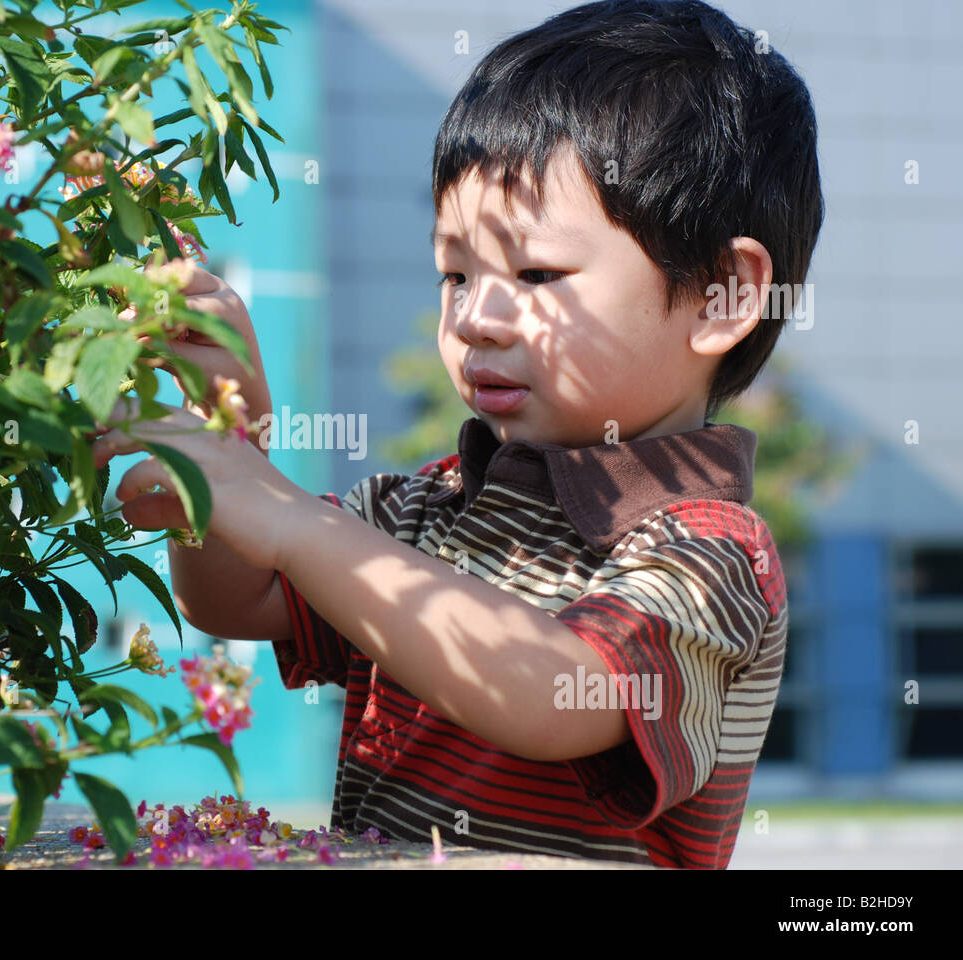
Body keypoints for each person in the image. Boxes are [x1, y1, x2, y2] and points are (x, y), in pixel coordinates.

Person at [92, 0, 822, 869]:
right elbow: (232, 601)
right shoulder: (424, 507)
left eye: (537, 272)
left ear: (722, 294)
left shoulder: (710, 551)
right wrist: (229, 439)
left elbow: (552, 690)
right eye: (454, 272)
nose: (475, 318)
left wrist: (293, 521)